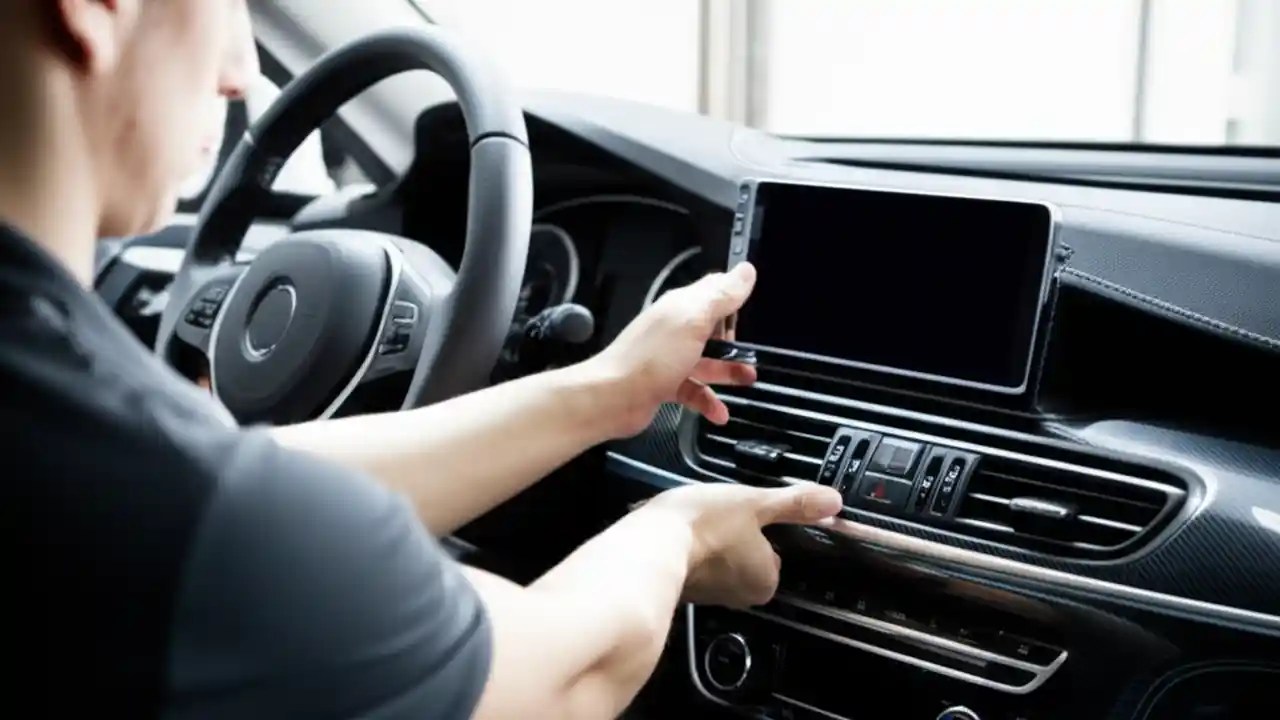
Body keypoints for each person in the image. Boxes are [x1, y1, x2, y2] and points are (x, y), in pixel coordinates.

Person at [1, 2, 843, 719]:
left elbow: (250, 479)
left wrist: (606, 393)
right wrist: (681, 531)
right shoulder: (173, 517)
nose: (239, 69)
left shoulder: (85, 454)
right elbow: (562, 681)